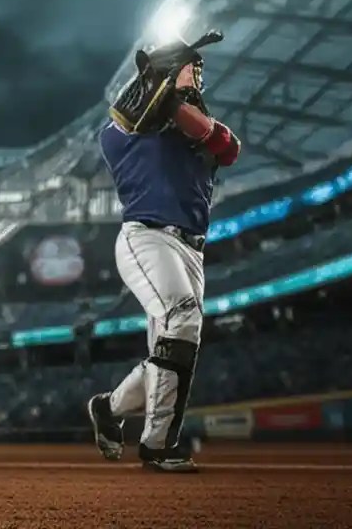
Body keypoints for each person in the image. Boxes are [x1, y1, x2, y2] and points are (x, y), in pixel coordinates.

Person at [86, 38, 241, 472]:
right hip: (147, 238)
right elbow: (120, 128)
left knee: (168, 350)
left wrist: (179, 104)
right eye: (193, 66)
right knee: (184, 317)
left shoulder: (195, 124)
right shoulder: (122, 130)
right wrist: (161, 89)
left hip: (192, 250)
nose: (199, 74)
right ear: (167, 70)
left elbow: (229, 150)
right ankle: (158, 445)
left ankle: (108, 409)